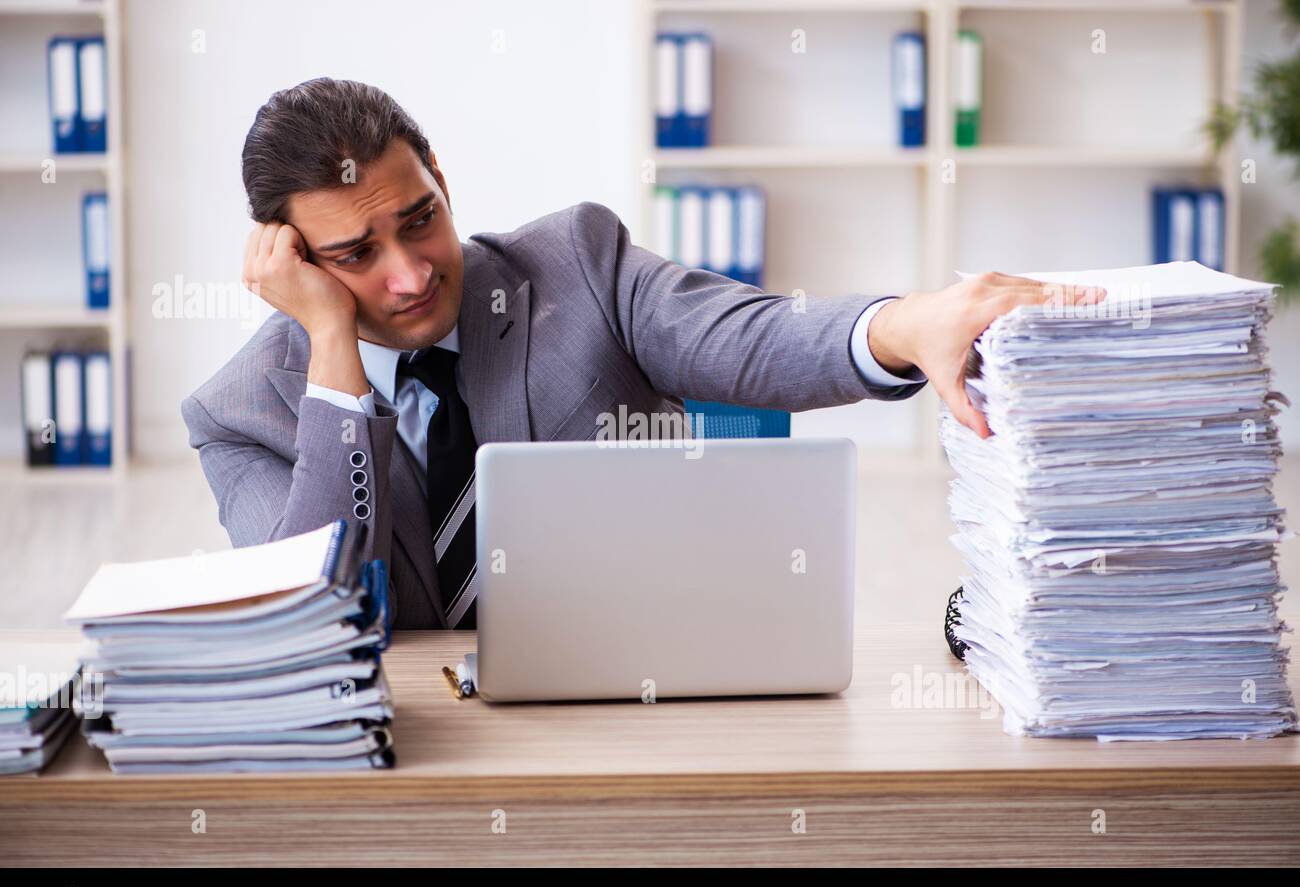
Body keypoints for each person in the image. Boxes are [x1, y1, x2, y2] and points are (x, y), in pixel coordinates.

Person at [183, 77, 1104, 630]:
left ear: (441, 180)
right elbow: (312, 610)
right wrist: (331, 345)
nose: (412, 274)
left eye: (420, 218)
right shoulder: (238, 413)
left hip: (639, 699)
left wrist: (901, 324)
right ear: (294, 259)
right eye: (356, 256)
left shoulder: (575, 264)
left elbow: (747, 335)